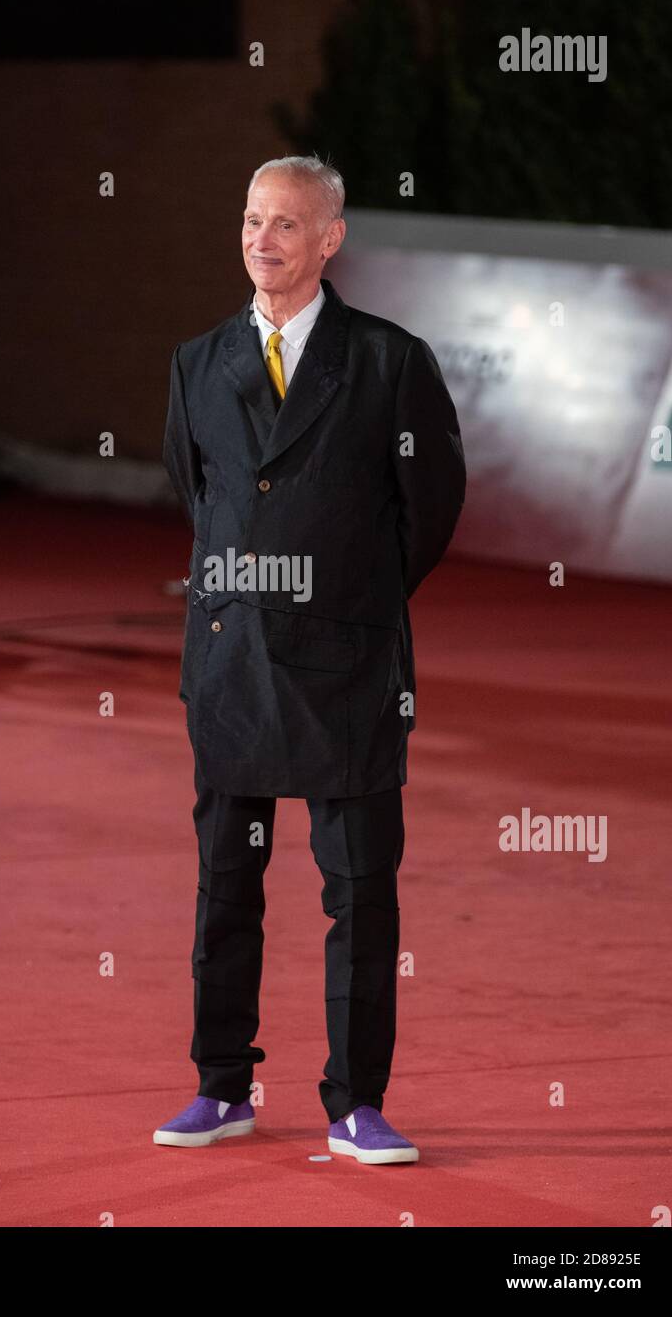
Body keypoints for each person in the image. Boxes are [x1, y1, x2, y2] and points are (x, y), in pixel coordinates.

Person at [158, 155, 465, 1164]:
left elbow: (429, 509)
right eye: (250, 219)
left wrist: (349, 602)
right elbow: (195, 495)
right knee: (224, 890)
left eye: (285, 224)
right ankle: (218, 1085)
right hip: (233, 664)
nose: (262, 240)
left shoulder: (388, 361)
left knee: (360, 893)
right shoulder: (198, 362)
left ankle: (354, 1104)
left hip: (348, 670)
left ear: (329, 239)